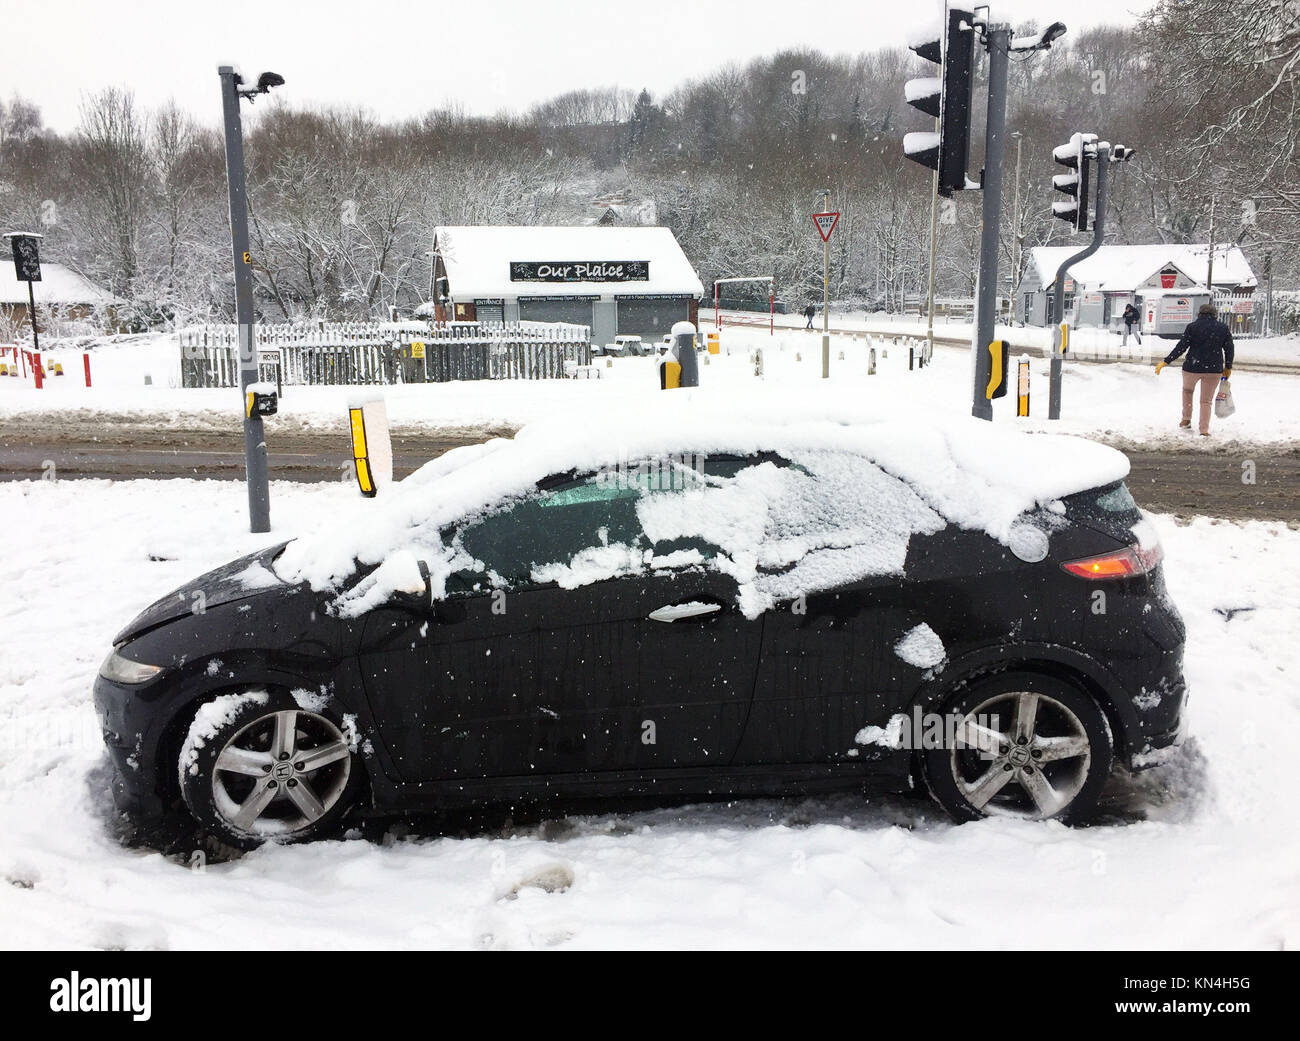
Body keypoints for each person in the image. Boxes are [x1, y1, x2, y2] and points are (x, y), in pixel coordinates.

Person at [1155, 302, 1234, 436]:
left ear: (1199, 314)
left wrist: (1166, 361)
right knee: (1206, 401)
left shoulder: (1193, 327)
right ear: (1215, 315)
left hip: (1192, 367)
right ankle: (1204, 430)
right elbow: (1229, 349)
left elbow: (1181, 346)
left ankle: (1186, 420)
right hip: (1214, 369)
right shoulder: (1223, 328)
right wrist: (1228, 367)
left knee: (1187, 392)